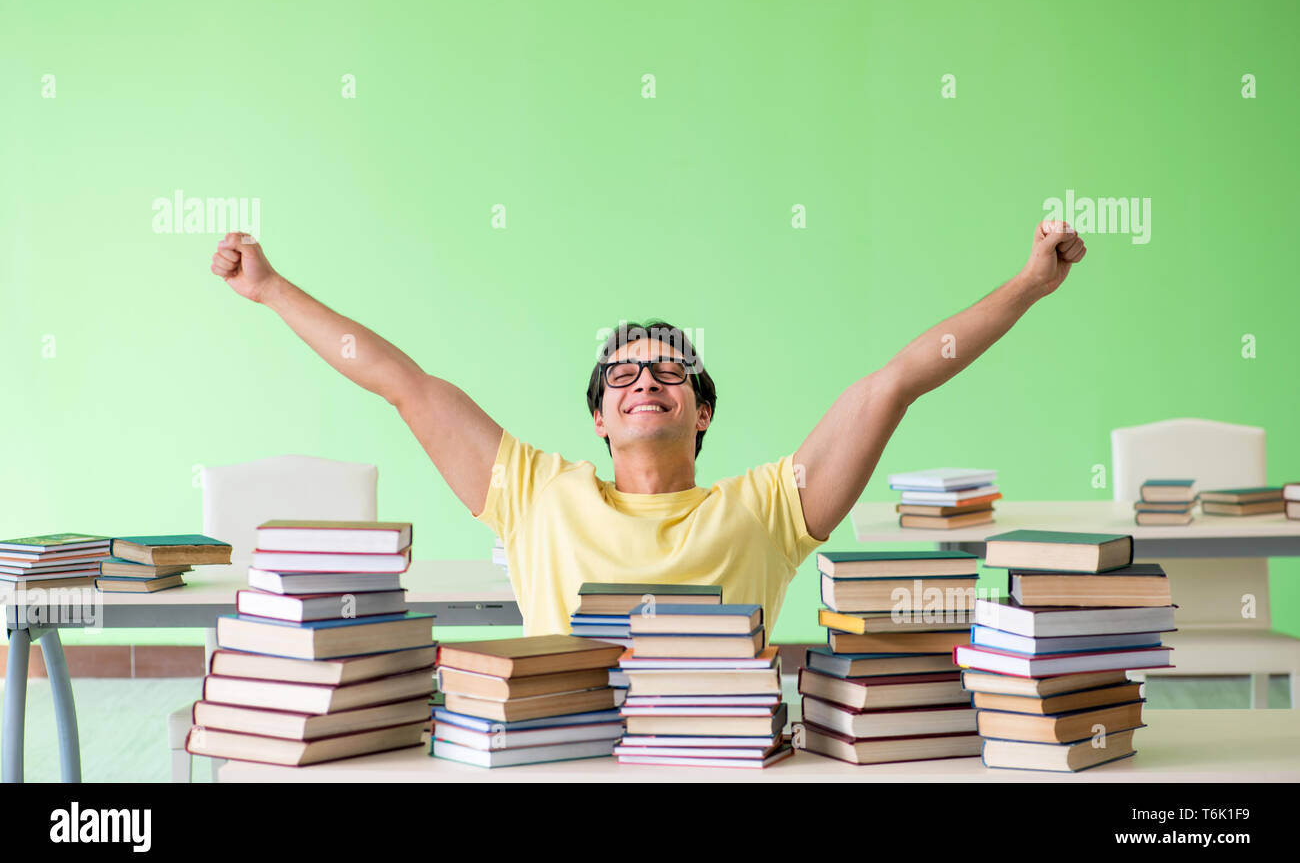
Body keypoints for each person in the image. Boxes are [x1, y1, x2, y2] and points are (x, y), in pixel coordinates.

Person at [209, 221, 1085, 636]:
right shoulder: (533, 492)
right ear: (599, 416)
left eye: (671, 368)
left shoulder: (769, 508)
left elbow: (895, 382)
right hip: (566, 756)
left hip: (721, 758)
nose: (645, 379)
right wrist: (271, 287)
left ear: (702, 412)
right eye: (622, 370)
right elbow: (402, 383)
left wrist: (1029, 285)